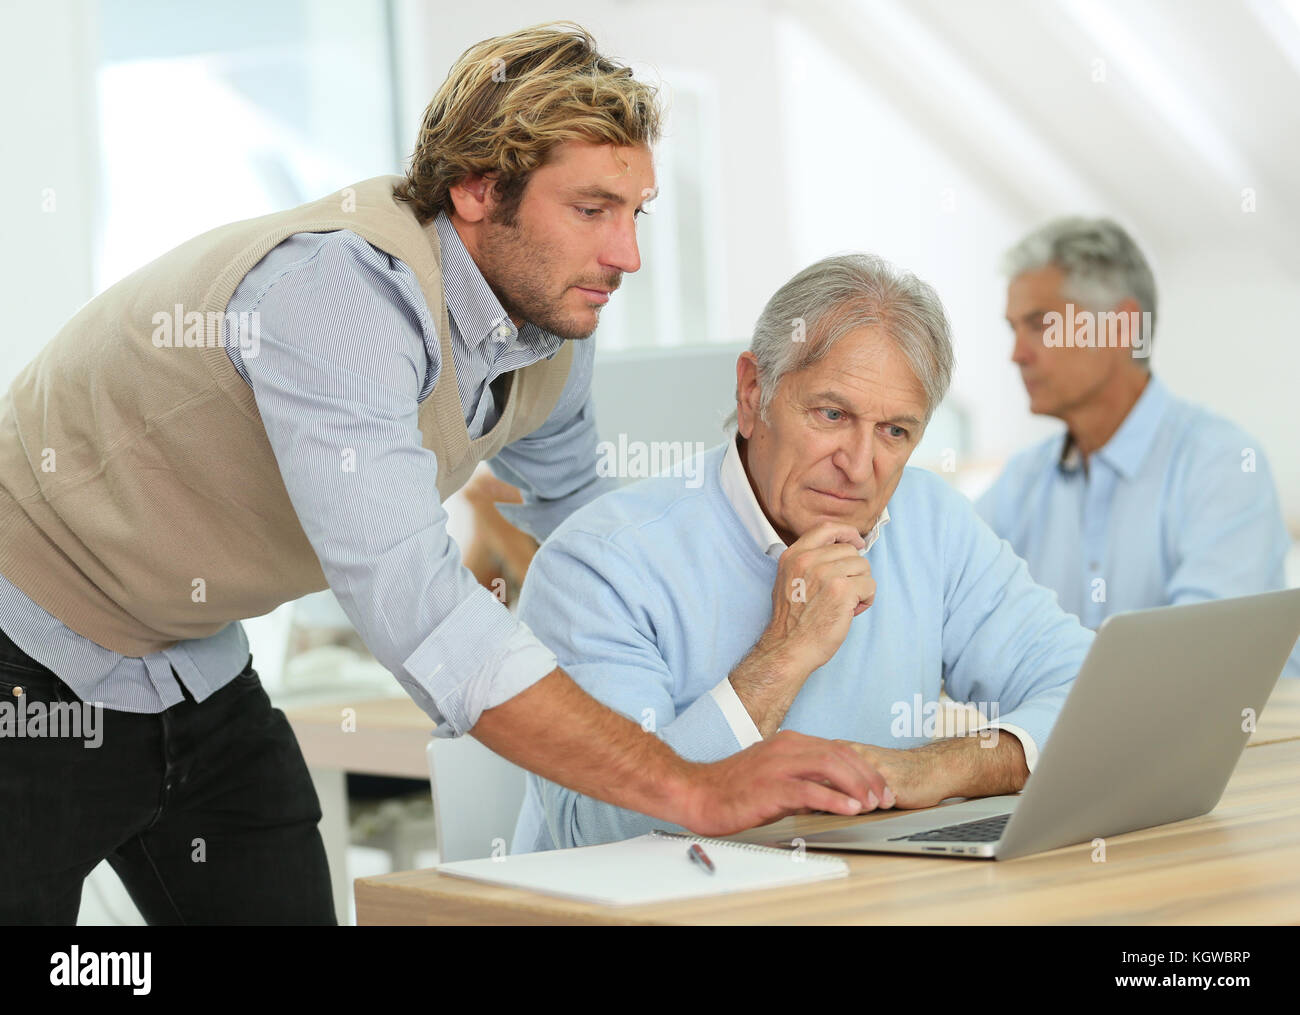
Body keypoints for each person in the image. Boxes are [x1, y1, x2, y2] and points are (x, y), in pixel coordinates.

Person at [0, 22, 882, 925]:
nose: (627, 256)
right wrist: (689, 785)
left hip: (194, 661)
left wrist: (745, 664)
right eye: (591, 210)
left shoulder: (548, 330)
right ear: (475, 187)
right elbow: (422, 610)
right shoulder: (338, 297)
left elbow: (585, 525)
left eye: (634, 212)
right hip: (22, 649)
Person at [511, 253, 1096, 852]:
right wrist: (785, 654)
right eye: (832, 414)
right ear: (752, 392)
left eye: (895, 431)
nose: (859, 466)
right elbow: (599, 831)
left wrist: (936, 769)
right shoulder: (597, 565)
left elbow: (1093, 695)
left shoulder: (931, 521)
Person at [976, 217, 1298, 677]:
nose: (1017, 354)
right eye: (1013, 329)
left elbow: (1202, 665)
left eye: (1040, 325)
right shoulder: (1022, 481)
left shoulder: (1223, 465)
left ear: (1122, 325)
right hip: (1087, 745)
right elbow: (951, 605)